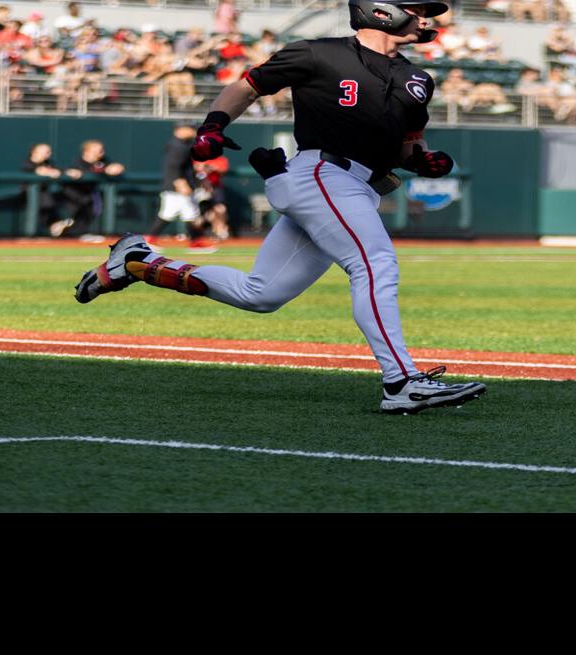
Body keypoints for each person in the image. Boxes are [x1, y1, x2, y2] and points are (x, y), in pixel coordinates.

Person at [73, 0, 487, 414]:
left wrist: (420, 160)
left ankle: (139, 262)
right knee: (374, 263)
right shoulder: (317, 51)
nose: (426, 17)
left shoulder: (417, 77)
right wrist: (213, 125)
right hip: (324, 174)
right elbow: (248, 85)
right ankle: (401, 382)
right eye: (416, 9)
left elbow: (408, 146)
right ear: (380, 11)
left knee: (262, 294)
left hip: (357, 185)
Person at [145, 123, 215, 252]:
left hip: (180, 184)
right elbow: (173, 166)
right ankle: (150, 239)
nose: (193, 130)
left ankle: (195, 241)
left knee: (187, 214)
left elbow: (186, 167)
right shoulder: (176, 145)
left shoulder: (183, 145)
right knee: (172, 214)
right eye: (189, 128)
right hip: (176, 187)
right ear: (179, 130)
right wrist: (179, 182)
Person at [54, 140, 123, 238]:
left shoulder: (102, 161)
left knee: (88, 213)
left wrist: (115, 168)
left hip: (89, 196)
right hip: (72, 195)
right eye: (98, 151)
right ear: (87, 152)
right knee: (74, 216)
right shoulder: (78, 162)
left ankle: (77, 235)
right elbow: (66, 171)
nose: (101, 153)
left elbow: (114, 167)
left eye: (102, 151)